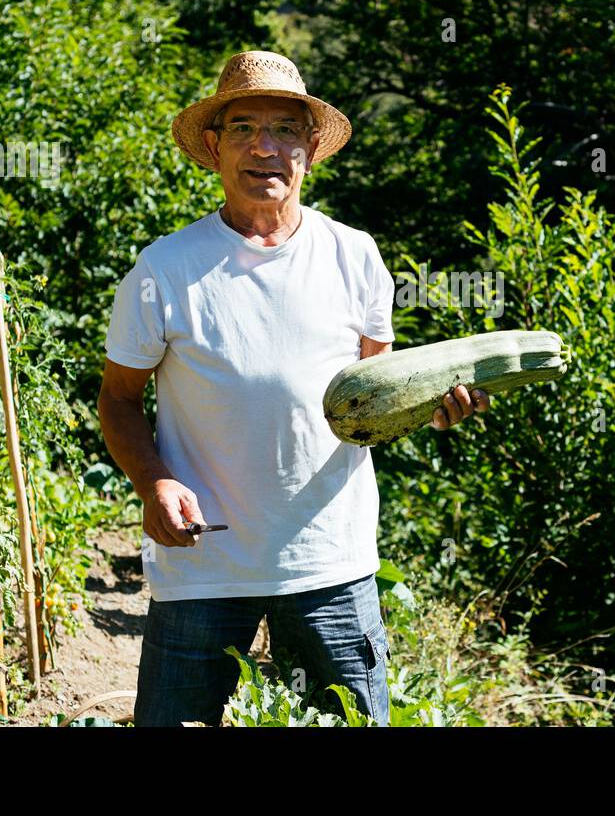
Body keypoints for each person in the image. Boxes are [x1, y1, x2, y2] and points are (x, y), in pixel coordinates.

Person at [98, 50, 490, 727]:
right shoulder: (164, 268)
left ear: (310, 148)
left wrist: (435, 410)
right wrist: (153, 481)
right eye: (244, 128)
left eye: (283, 129)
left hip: (329, 562)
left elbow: (378, 400)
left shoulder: (355, 255)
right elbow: (118, 400)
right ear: (215, 148)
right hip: (204, 564)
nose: (264, 147)